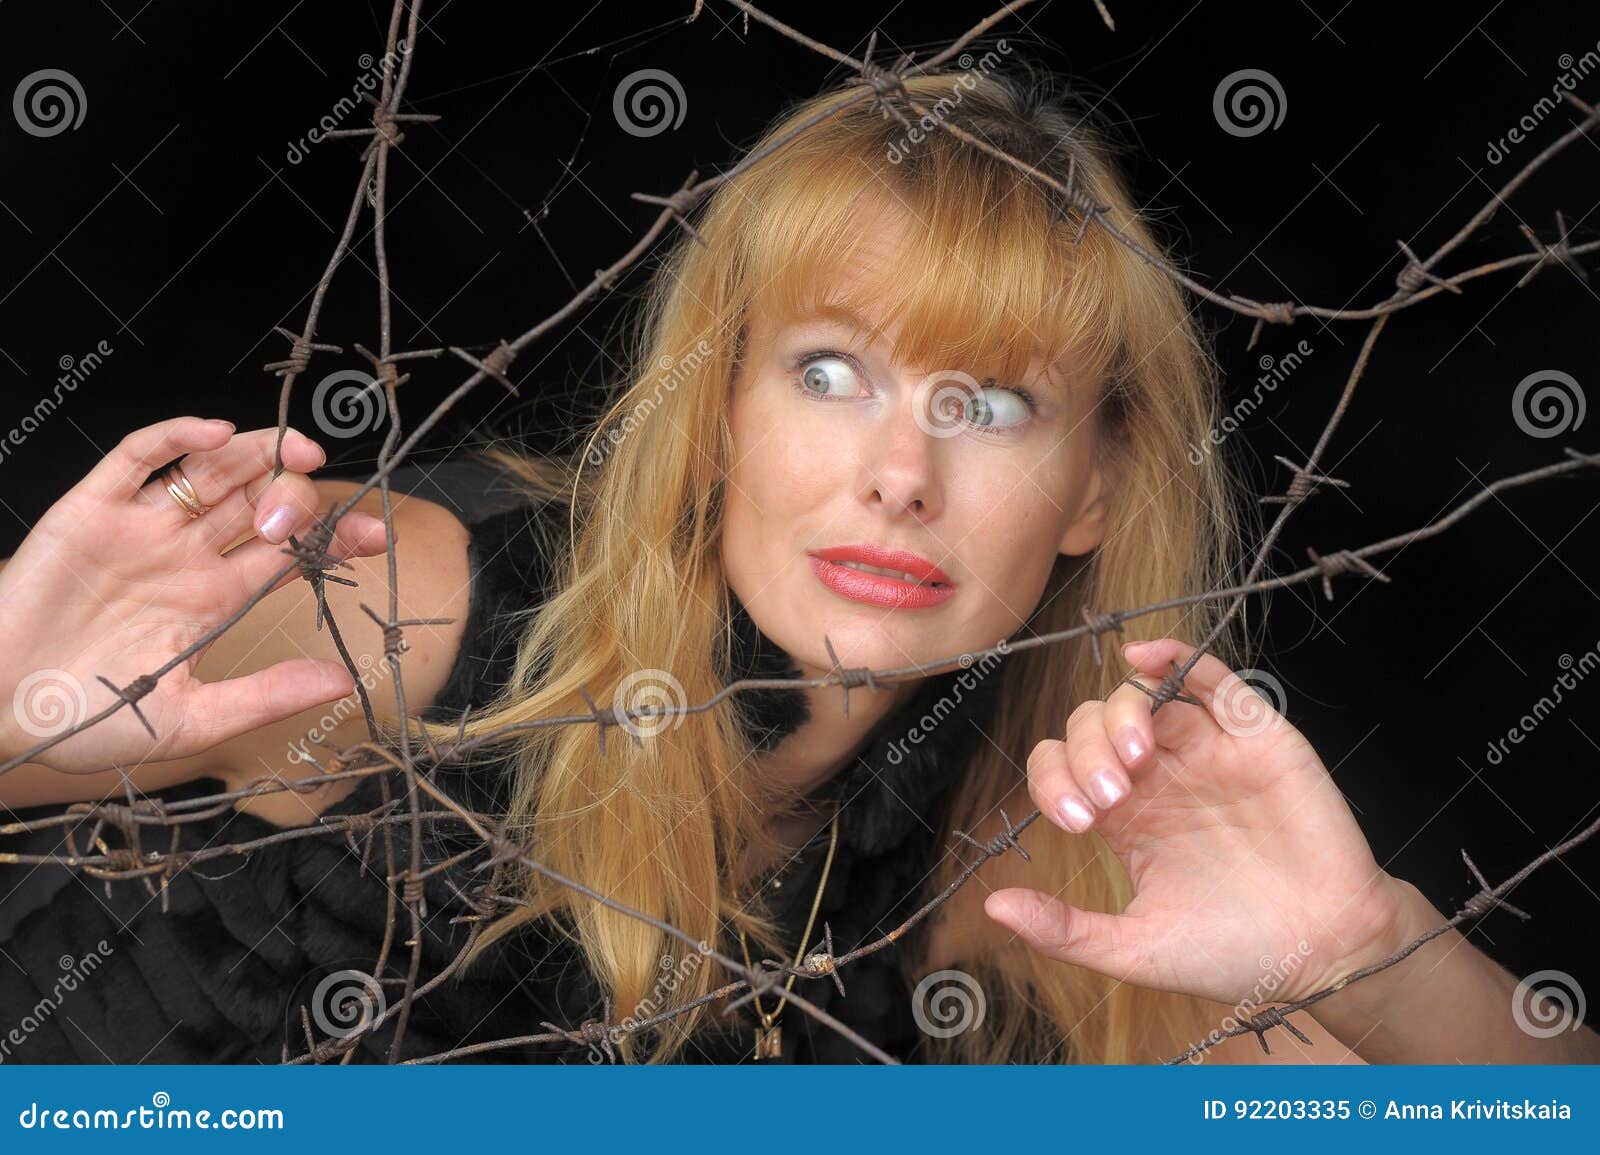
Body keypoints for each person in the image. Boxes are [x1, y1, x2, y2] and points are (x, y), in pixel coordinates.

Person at [2, 65, 1595, 1066]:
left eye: (987, 404)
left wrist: (1370, 959)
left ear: (1094, 489)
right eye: (830, 372)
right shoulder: (411, 593)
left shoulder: (1054, 850)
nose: (901, 475)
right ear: (717, 414)